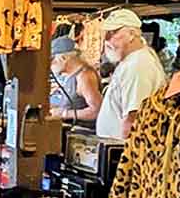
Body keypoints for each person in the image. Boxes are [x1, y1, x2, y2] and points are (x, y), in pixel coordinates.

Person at [96, 9, 166, 140]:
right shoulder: (133, 60)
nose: (107, 40)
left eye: (113, 33)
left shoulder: (137, 65)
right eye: (106, 34)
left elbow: (133, 118)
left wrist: (126, 156)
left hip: (121, 150)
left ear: (132, 34)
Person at [49, 36, 102, 126]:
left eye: (52, 60)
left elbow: (96, 110)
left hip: (81, 132)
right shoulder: (70, 76)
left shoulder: (84, 76)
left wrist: (64, 114)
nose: (50, 65)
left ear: (63, 58)